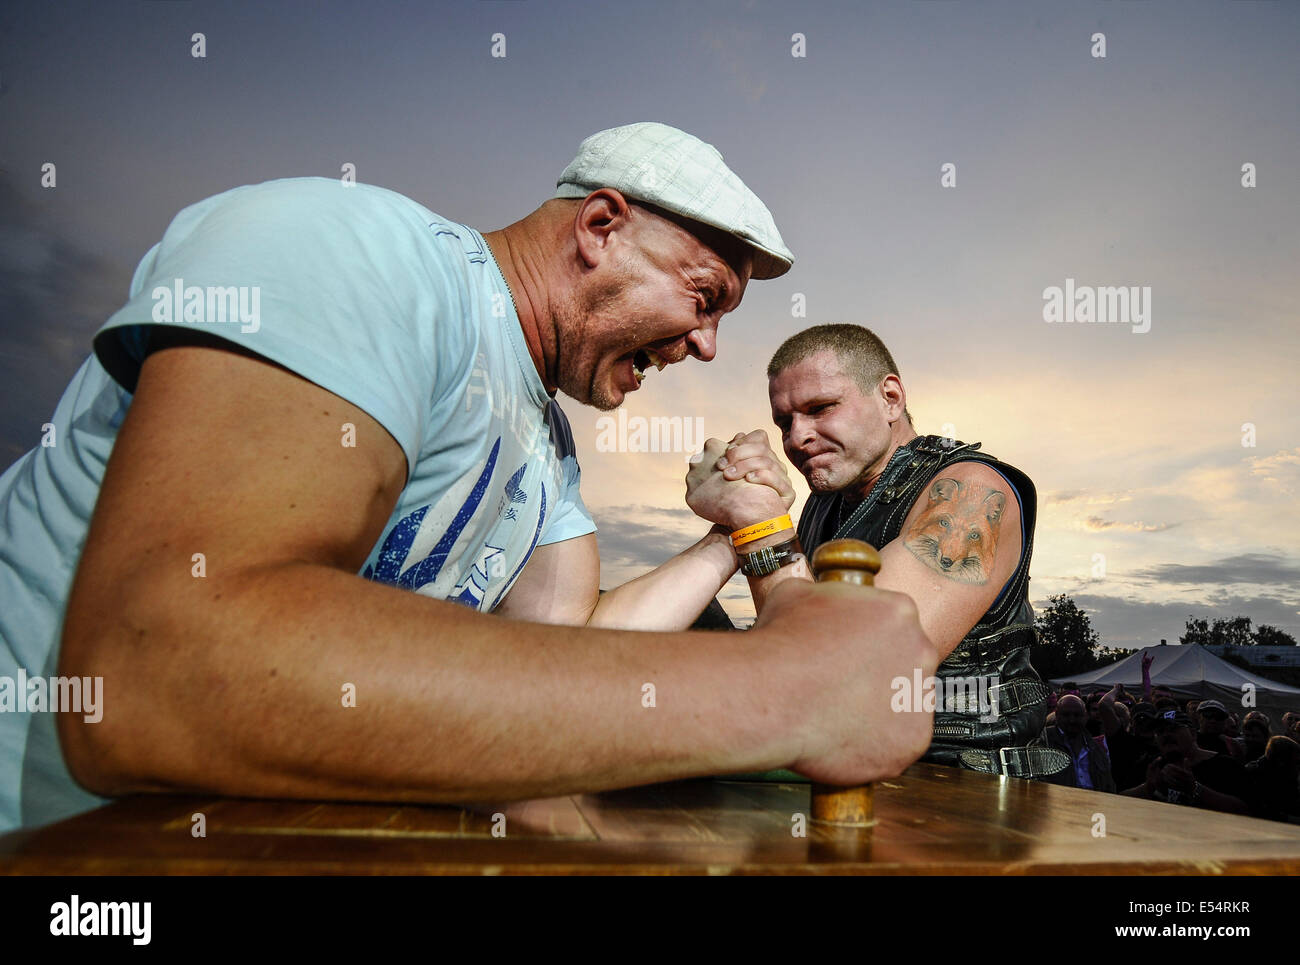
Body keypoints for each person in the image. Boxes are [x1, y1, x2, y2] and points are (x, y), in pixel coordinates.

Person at [0, 123, 941, 832]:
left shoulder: (548, 450)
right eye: (704, 297)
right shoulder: (357, 253)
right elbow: (162, 667)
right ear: (602, 227)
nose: (705, 343)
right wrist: (779, 692)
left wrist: (728, 532)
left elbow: (565, 658)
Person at [683, 323, 1063, 780]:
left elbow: (844, 682)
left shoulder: (971, 493)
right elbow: (788, 650)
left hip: (971, 793)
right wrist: (730, 524)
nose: (796, 438)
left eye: (820, 408)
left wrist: (758, 518)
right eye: (784, 421)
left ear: (890, 398)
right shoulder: (823, 507)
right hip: (855, 774)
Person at [1122, 714, 1252, 814]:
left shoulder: (1224, 765)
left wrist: (1196, 790)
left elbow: (1245, 809)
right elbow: (1117, 801)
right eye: (1160, 731)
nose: (1166, 734)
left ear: (1193, 734)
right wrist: (1148, 788)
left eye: (1173, 729)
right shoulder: (1151, 766)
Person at [1031, 695, 1116, 792]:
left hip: (1094, 804)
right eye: (1066, 715)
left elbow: (1108, 785)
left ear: (1085, 716)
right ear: (1057, 715)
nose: (1072, 720)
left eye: (1077, 715)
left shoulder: (1095, 748)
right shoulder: (1042, 741)